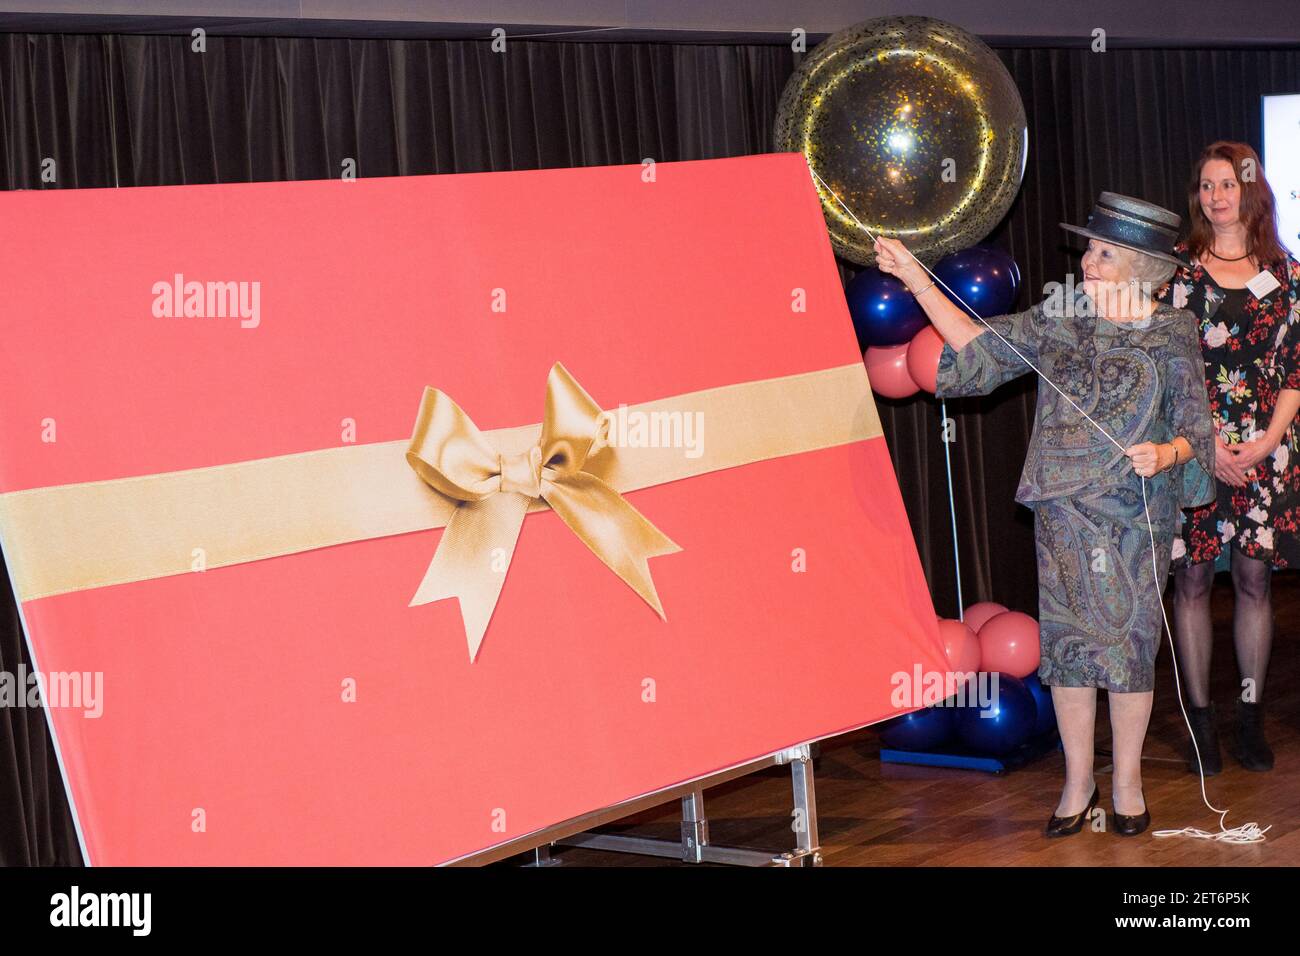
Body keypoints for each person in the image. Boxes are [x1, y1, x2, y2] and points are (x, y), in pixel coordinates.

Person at [875, 192, 1216, 837]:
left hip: (1135, 517)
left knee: (1128, 652)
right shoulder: (1063, 316)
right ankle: (1076, 784)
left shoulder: (1174, 330)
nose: (1088, 260)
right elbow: (982, 347)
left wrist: (1166, 451)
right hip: (1063, 513)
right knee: (1068, 654)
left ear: (1141, 266)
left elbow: (1196, 429)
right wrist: (915, 277)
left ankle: (1128, 785)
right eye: (1090, 247)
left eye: (1104, 251)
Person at [1157, 141, 1300, 775]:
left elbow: (1295, 372)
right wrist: (1206, 442)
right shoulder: (1179, 273)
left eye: (1228, 185)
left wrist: (1267, 441)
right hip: (1195, 445)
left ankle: (1249, 718)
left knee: (1253, 582)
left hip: (1265, 448)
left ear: (1251, 192)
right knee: (1190, 582)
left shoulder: (1288, 272)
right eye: (1206, 186)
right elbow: (1165, 368)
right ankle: (1200, 723)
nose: (1215, 197)